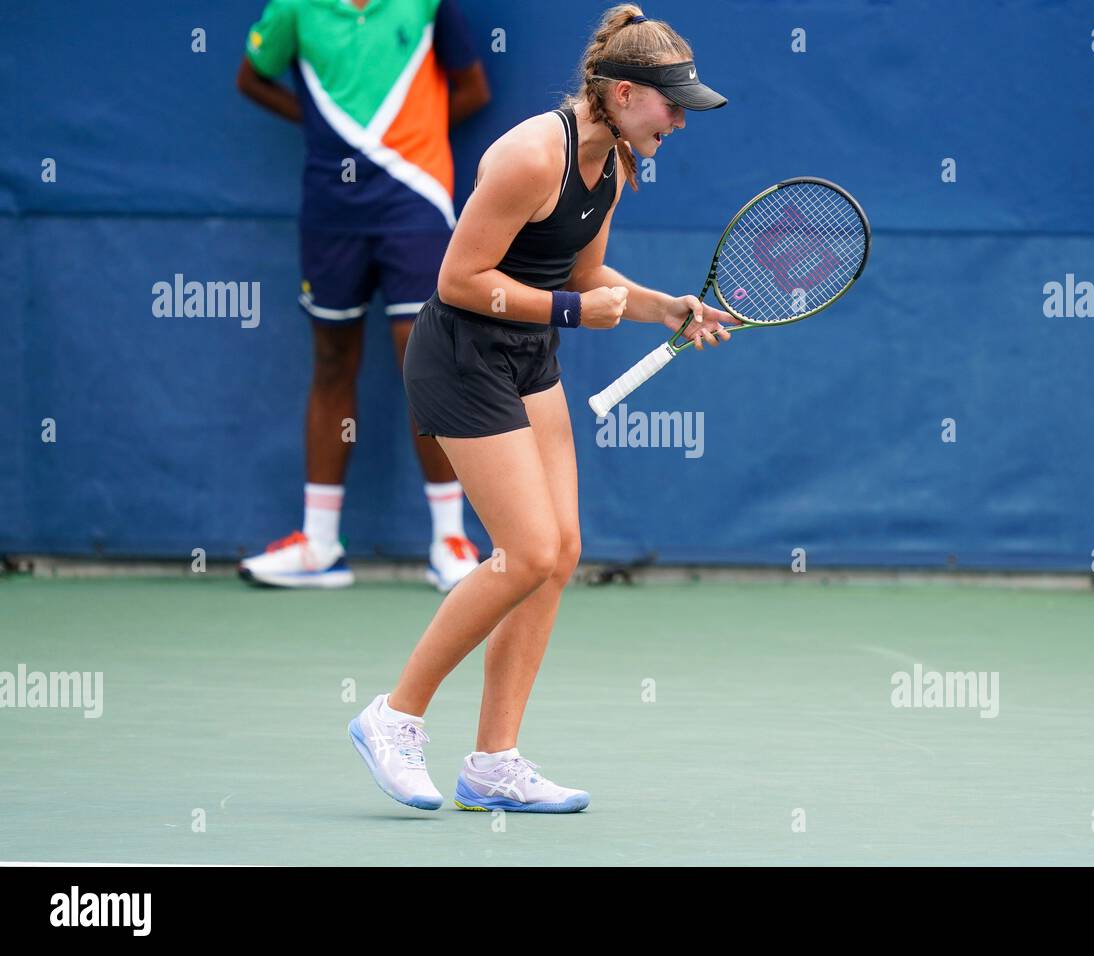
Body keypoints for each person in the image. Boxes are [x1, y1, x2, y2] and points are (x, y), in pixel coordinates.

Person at [348, 4, 734, 813]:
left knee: (559, 554)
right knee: (524, 552)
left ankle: (493, 763)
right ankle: (394, 716)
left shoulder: (615, 165)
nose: (679, 122)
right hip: (461, 358)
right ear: (623, 94)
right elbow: (458, 280)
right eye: (672, 106)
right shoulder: (530, 156)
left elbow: (587, 277)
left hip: (528, 359)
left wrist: (667, 308)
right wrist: (568, 312)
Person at [234, 0, 491, 590]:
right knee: (331, 361)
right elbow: (252, 77)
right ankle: (320, 544)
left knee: (426, 362)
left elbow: (473, 89)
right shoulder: (294, 8)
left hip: (415, 201)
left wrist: (408, 142)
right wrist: (324, 129)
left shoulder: (428, 4)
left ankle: (449, 541)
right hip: (332, 212)